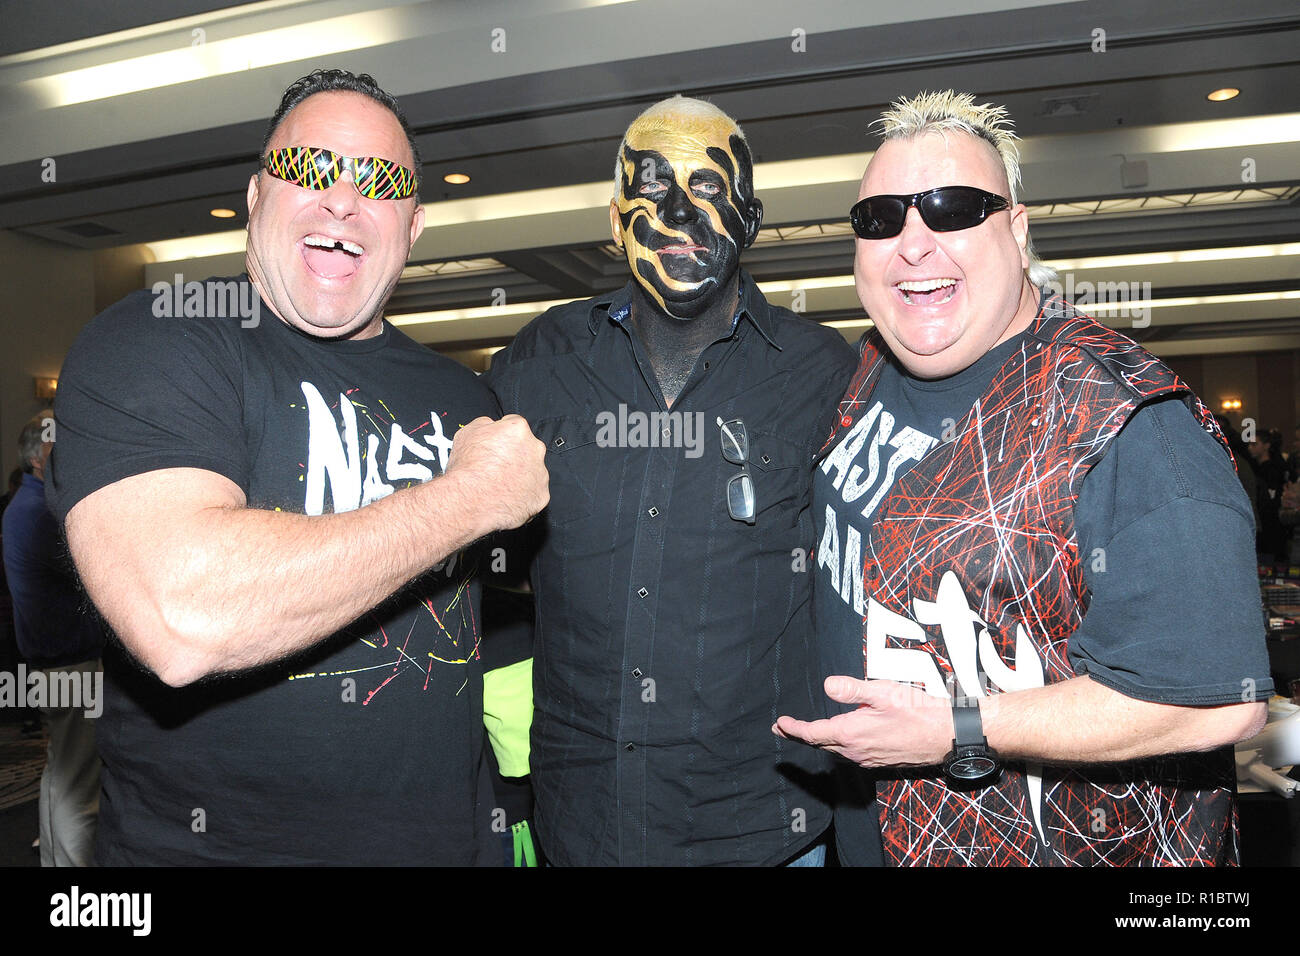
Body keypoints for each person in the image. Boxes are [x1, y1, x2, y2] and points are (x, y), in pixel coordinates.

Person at [46, 69, 548, 865]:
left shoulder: (463, 396)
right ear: (255, 197)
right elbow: (182, 616)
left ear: (413, 226)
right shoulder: (157, 340)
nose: (342, 200)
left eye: (378, 181)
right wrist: (468, 498)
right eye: (310, 170)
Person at [775, 90, 1272, 866]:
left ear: (1017, 229)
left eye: (953, 208)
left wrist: (959, 731)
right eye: (881, 218)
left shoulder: (1129, 423)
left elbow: (1214, 700)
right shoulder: (870, 367)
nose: (913, 243)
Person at [485, 95, 858, 865]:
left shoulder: (826, 374)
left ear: (750, 219)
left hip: (763, 834)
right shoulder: (537, 364)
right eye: (652, 186)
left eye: (711, 189)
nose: (682, 210)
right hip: (580, 828)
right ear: (616, 218)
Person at [3, 411, 105, 866]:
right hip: (71, 665)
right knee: (81, 791)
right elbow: (93, 578)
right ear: (39, 456)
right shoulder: (42, 512)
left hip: (52, 665)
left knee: (60, 774)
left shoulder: (23, 505)